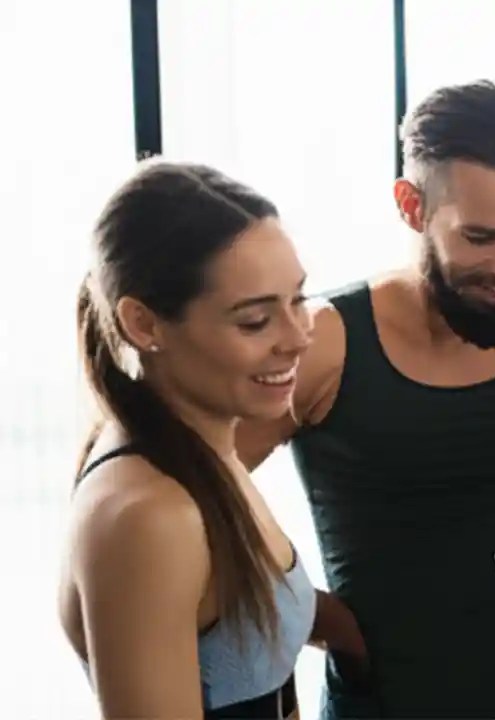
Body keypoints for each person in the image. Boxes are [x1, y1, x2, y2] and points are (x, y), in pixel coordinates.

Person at [235, 79, 495, 719]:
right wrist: (317, 618)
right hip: (381, 705)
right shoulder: (325, 344)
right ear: (411, 206)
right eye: (482, 238)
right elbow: (194, 498)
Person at [59, 160, 366, 719]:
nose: (298, 339)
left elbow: (242, 615)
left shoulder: (200, 448)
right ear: (144, 325)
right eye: (255, 321)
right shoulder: (151, 515)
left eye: (297, 299)